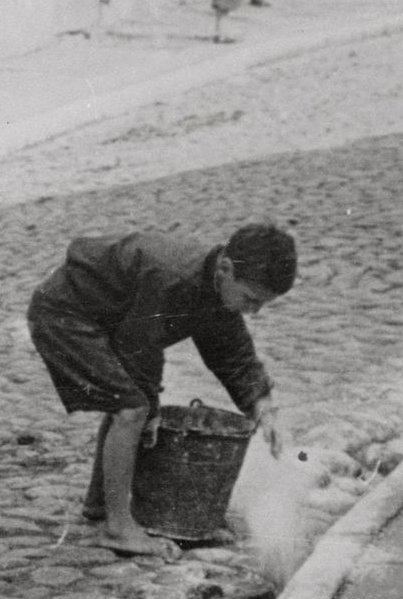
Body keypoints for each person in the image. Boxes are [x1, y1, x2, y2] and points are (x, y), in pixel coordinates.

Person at [27, 224, 296, 558]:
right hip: (64, 315)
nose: (253, 310)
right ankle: (118, 528)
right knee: (132, 409)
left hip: (109, 319)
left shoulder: (214, 285)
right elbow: (139, 347)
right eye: (250, 299)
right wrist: (150, 407)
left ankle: (100, 508)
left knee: (126, 402)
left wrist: (262, 406)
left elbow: (233, 353)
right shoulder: (173, 278)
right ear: (226, 268)